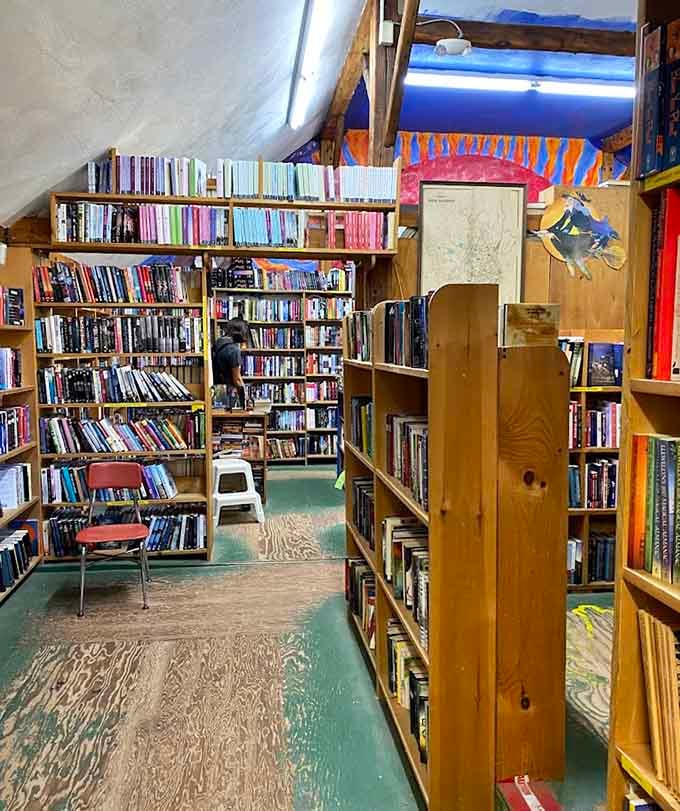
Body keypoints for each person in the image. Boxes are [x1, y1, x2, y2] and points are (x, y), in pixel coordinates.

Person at [212, 318, 248, 409]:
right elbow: (237, 379)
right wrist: (246, 397)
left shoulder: (218, 343)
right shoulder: (234, 350)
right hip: (229, 393)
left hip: (216, 390)